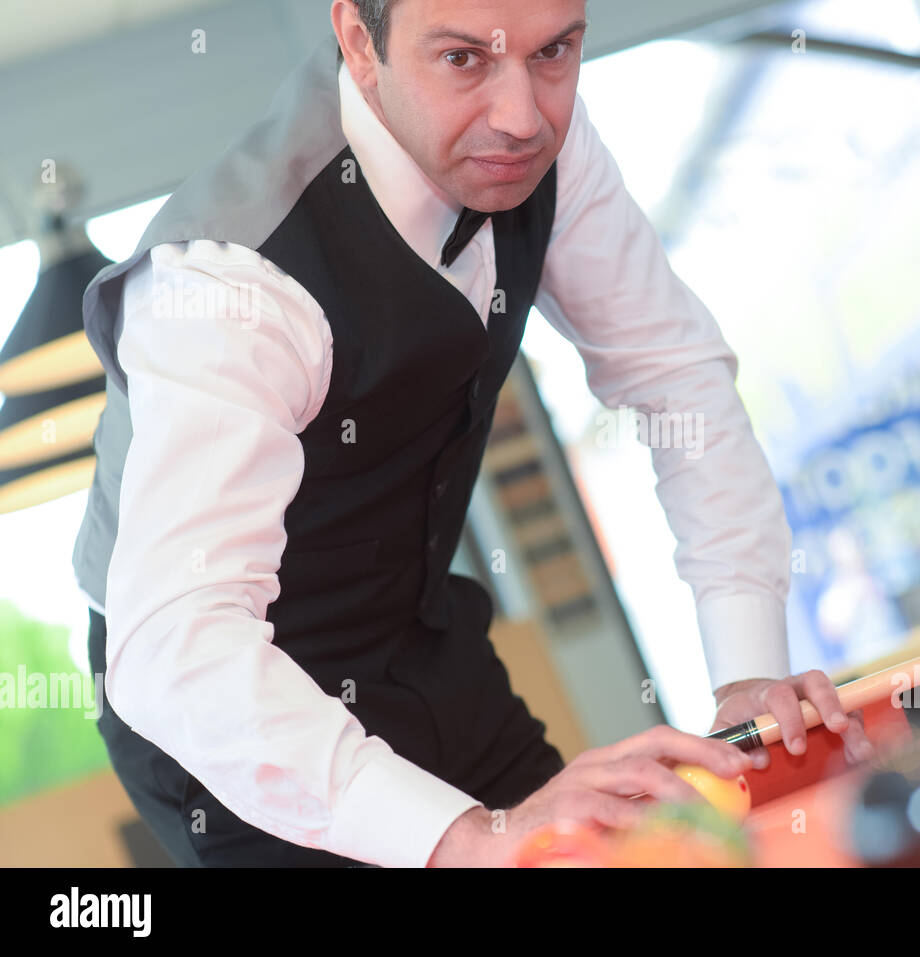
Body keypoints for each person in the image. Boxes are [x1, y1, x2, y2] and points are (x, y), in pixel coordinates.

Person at [71, 0, 873, 868]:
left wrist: (748, 676)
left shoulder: (538, 140)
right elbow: (175, 645)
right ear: (358, 41)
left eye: (555, 51)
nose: (522, 117)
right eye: (462, 60)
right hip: (232, 715)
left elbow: (672, 373)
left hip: (422, 641)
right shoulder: (230, 289)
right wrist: (468, 837)